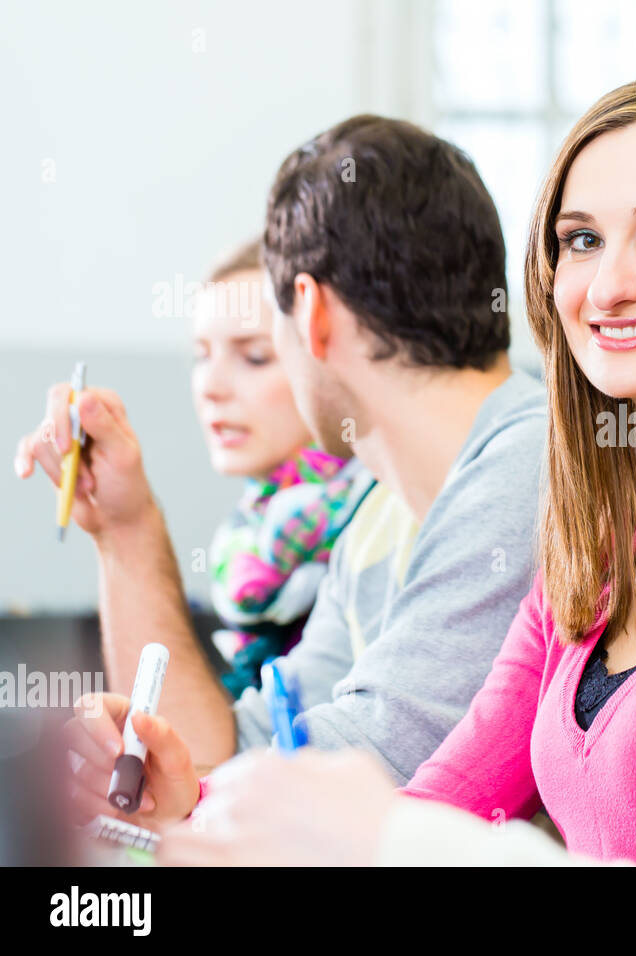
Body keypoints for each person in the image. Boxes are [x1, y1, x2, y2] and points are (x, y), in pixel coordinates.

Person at [159, 74, 636, 867]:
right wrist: (190, 808)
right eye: (581, 240)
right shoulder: (594, 561)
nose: (609, 286)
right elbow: (433, 804)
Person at [16, 115, 547, 831]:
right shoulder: (375, 513)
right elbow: (238, 748)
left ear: (311, 313)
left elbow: (370, 773)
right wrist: (123, 527)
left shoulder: (525, 468)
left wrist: (192, 800)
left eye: (260, 346)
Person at [193, 240, 369, 698]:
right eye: (201, 354)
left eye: (254, 356)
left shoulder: (376, 517)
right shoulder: (251, 533)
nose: (210, 386)